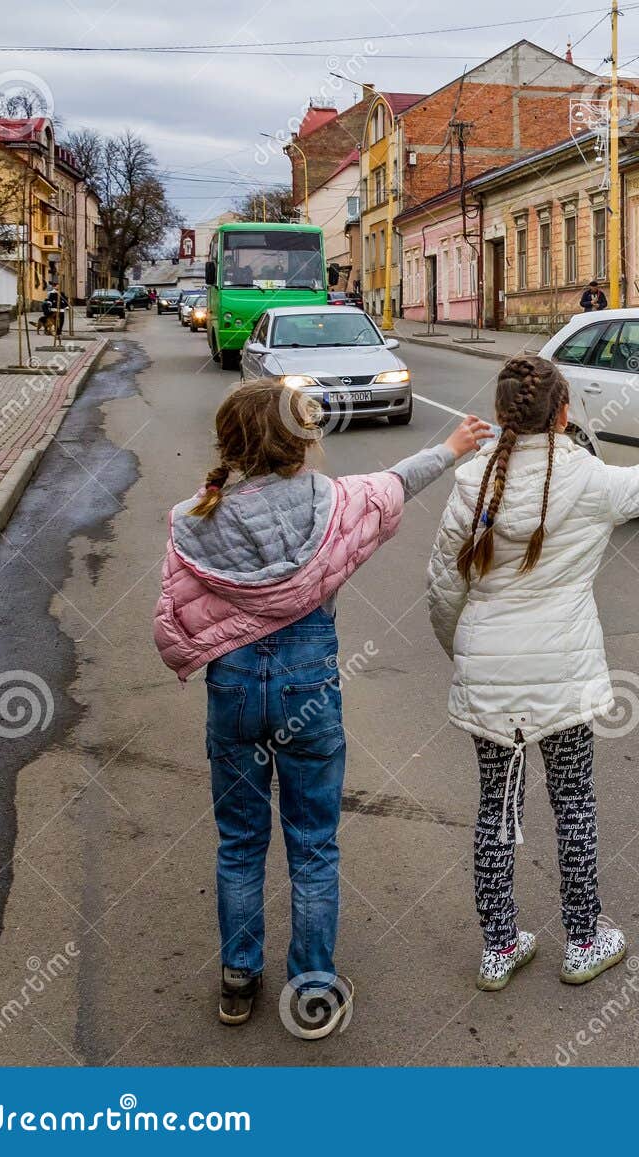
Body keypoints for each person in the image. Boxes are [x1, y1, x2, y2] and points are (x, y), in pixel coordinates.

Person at [153, 379, 490, 1035]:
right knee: (312, 845)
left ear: (231, 444)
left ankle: (238, 980)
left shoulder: (194, 517)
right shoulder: (331, 502)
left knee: (240, 841)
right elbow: (395, 483)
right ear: (300, 441)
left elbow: (168, 622)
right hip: (308, 685)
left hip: (235, 687)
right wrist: (452, 446)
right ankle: (311, 985)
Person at [427, 355, 639, 992]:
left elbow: (443, 590)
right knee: (573, 804)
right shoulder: (589, 479)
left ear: (500, 416)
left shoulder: (471, 485)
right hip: (564, 680)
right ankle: (583, 940)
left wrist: (466, 658)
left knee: (496, 808)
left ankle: (498, 947)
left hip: (489, 677)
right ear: (565, 411)